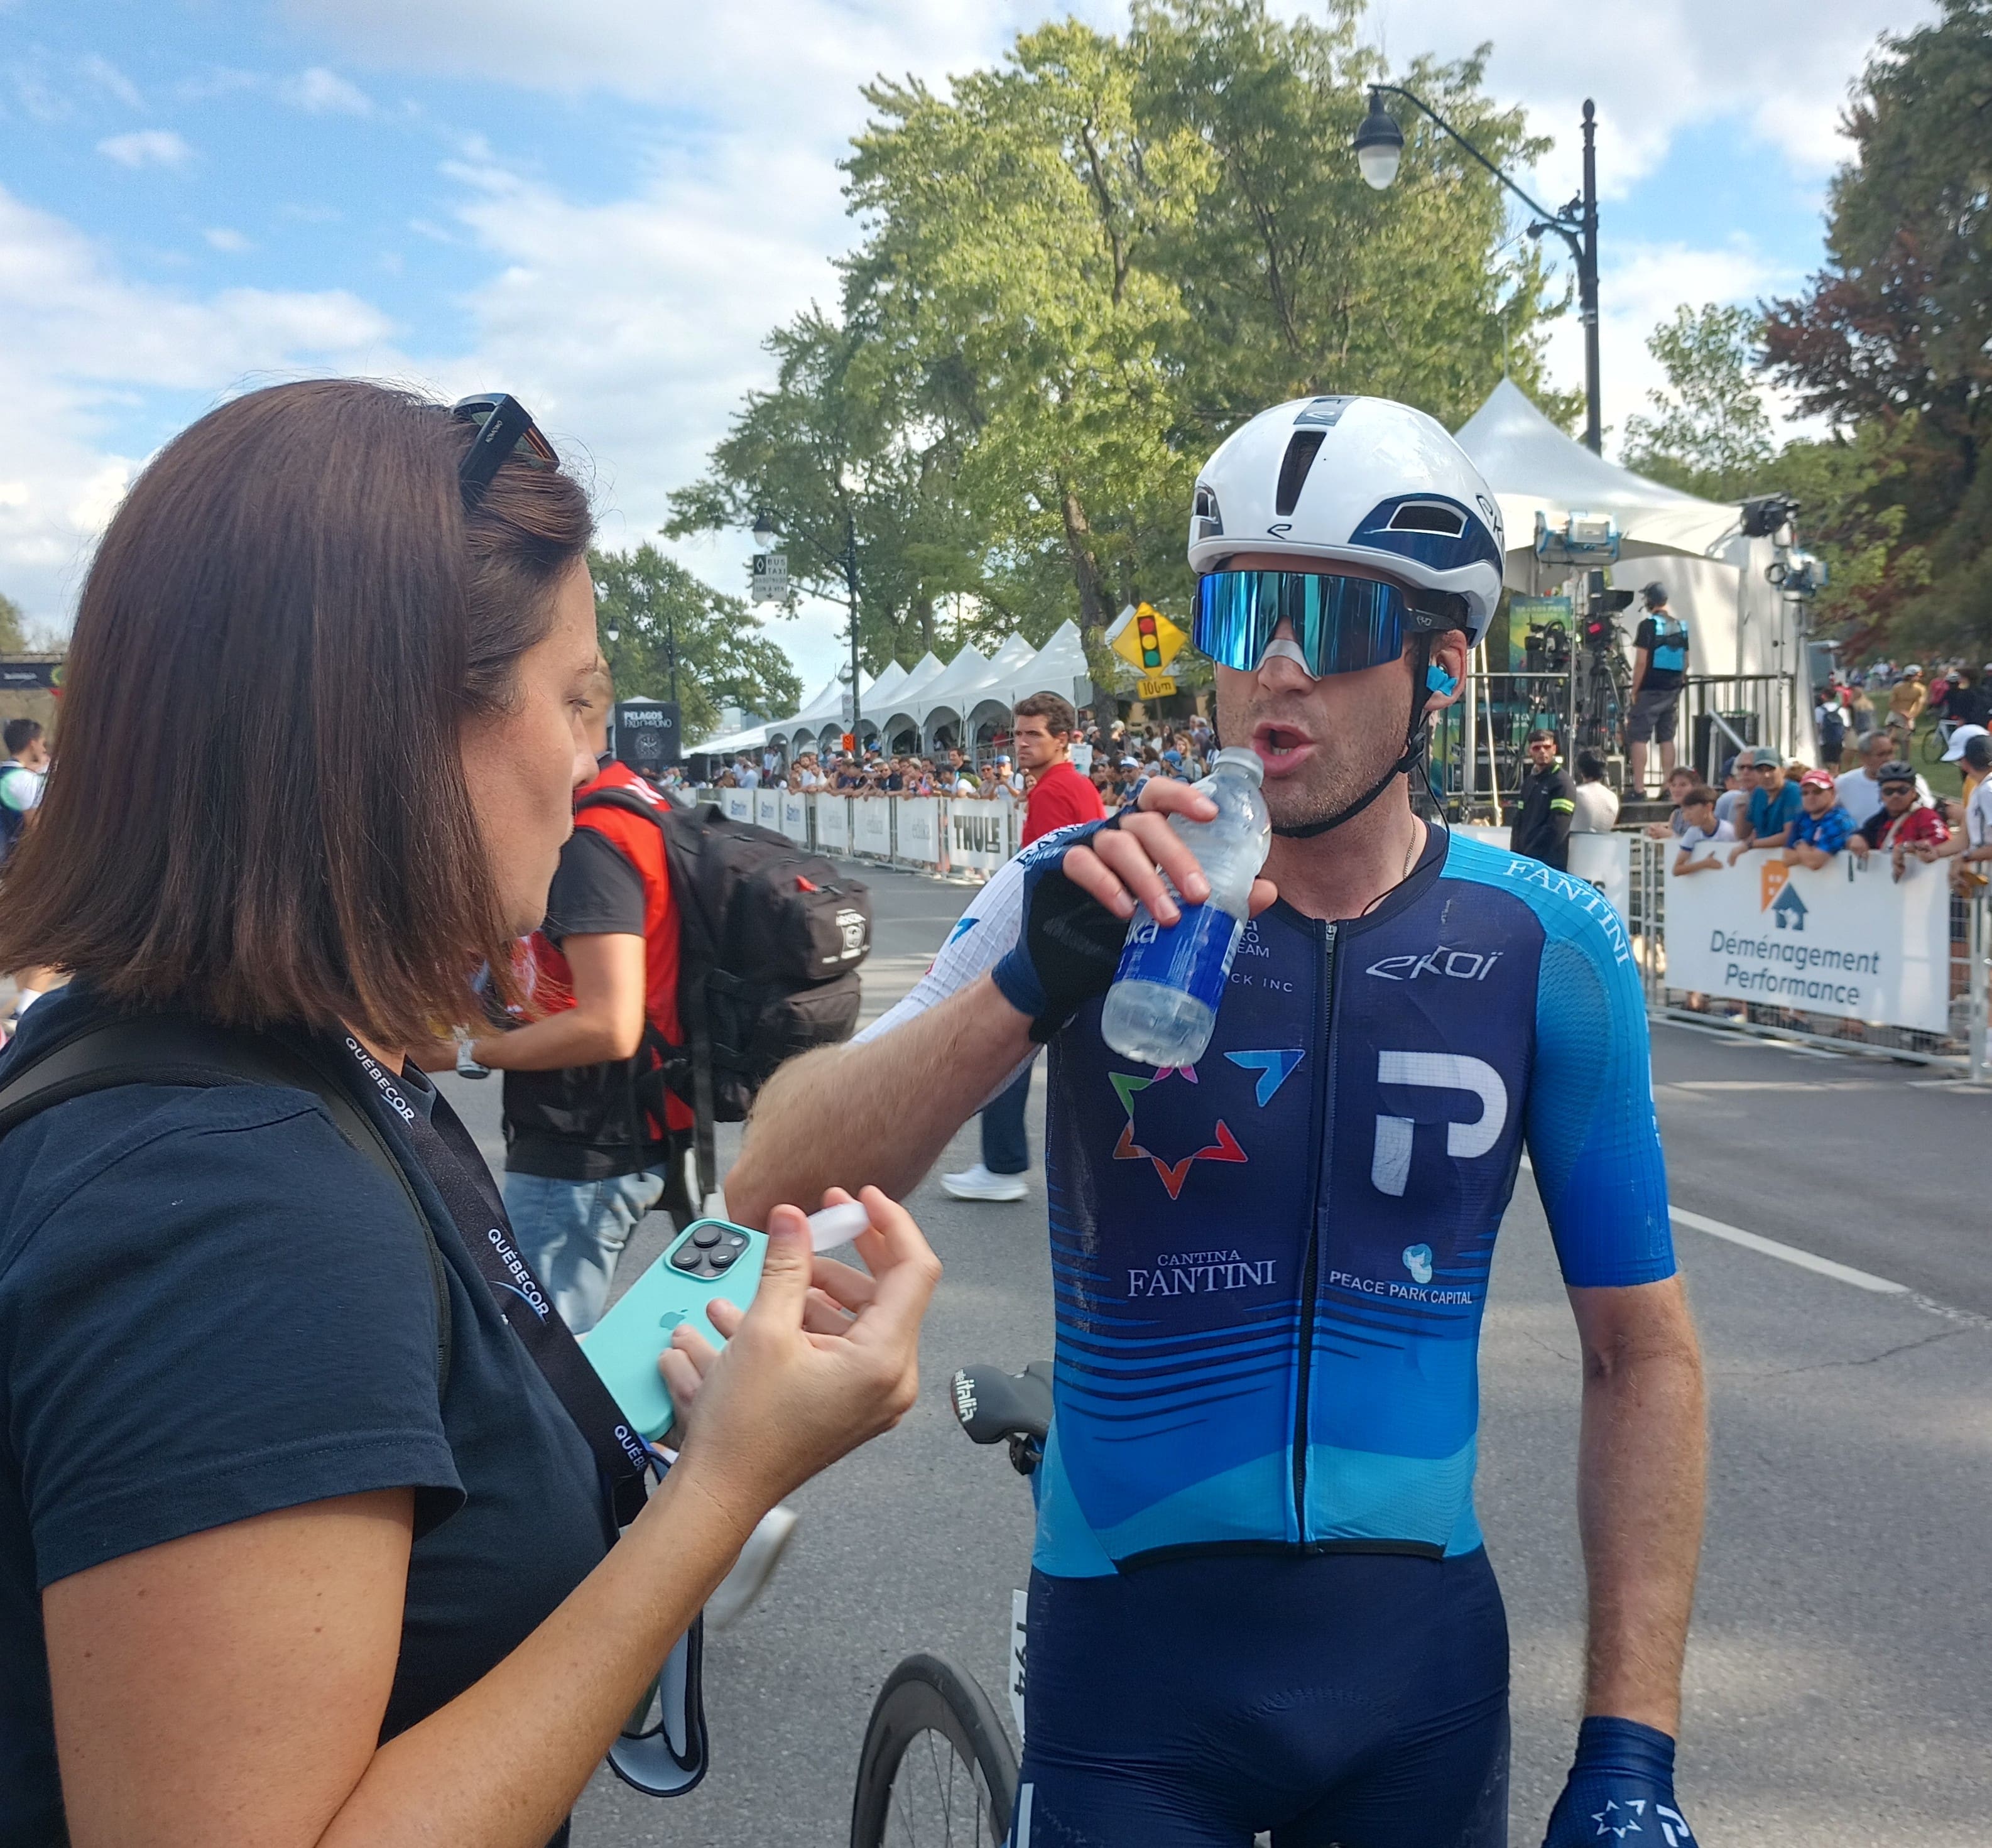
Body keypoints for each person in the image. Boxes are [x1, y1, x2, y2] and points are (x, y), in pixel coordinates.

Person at [727, 394, 1706, 1848]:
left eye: (1333, 615)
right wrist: (1024, 981)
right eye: (1245, 612)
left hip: (1415, 1678)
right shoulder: (1081, 885)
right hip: (1134, 1680)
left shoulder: (1547, 944)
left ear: (1446, 661)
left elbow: (1645, 1356)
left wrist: (1633, 1747)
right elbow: (774, 1175)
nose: (1280, 667)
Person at [0, 380, 939, 1848]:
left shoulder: (248, 1060)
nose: (592, 762)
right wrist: (723, 1497)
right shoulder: (237, 1197)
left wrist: (698, 1410)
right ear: (383, 727)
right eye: (572, 700)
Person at [942, 691, 1105, 1204]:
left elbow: (1039, 877)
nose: (1022, 743)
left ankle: (1004, 1164)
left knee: (1006, 1045)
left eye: (1034, 734)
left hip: (1057, 941)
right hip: (1080, 938)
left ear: (1063, 740)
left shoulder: (1054, 792)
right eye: (1018, 733)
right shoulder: (1068, 785)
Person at [1626, 581, 1689, 791]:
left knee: (1638, 737)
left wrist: (1635, 690)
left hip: (1649, 689)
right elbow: (1686, 662)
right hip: (1672, 690)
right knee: (1667, 738)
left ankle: (1639, 788)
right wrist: (1678, 683)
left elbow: (1641, 662)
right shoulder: (1680, 626)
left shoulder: (1647, 625)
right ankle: (1667, 786)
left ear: (1649, 601)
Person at [1856, 759, 1948, 879]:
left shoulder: (1926, 816)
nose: (1896, 796)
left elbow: (1942, 839)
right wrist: (1855, 839)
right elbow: (1863, 835)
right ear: (1881, 795)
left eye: (1902, 790)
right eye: (1889, 791)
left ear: (1914, 793)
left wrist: (1907, 847)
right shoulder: (1878, 821)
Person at [1837, 729, 1934, 827]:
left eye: (1891, 753)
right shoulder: (1843, 783)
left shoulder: (1913, 780)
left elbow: (1929, 813)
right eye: (1881, 755)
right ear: (1863, 757)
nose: (1889, 759)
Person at [1511, 727, 1577, 869]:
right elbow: (1518, 822)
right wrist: (1516, 856)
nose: (1542, 751)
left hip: (1548, 865)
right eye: (1537, 748)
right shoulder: (1529, 782)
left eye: (1547, 747)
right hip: (1524, 863)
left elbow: (1558, 827)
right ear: (1530, 751)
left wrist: (1532, 856)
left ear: (1554, 749)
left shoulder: (1562, 782)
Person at [1728, 747, 1803, 862]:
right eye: (1760, 770)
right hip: (1766, 863)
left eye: (1771, 769)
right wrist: (1742, 811)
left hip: (1792, 863)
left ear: (1782, 771)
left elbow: (1789, 835)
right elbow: (1742, 835)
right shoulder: (1758, 793)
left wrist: (1750, 845)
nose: (1766, 775)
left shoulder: (1793, 792)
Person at [1783, 768, 1858, 868]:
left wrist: (1800, 844)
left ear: (1832, 793)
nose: (1810, 797)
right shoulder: (1802, 817)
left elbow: (1814, 863)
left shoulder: (1840, 821)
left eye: (1817, 792)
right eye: (1805, 793)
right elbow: (1787, 859)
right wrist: (1809, 851)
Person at [1672, 784, 1734, 874]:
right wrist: (1705, 864)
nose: (1686, 816)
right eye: (1684, 811)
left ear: (1708, 807)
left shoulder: (1727, 831)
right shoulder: (1692, 833)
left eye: (1691, 809)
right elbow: (1677, 870)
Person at [1643, 764, 1699, 839]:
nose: (1677, 789)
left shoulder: (1701, 812)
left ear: (1695, 787)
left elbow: (1698, 843)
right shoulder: (1675, 814)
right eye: (1673, 785)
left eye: (1683, 785)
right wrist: (1656, 832)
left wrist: (1670, 835)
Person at [1570, 748, 1620, 832]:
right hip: (1603, 844)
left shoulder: (1576, 794)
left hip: (1577, 843)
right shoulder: (1613, 797)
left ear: (1581, 771)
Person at [1887, 663, 1927, 753]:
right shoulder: (1898, 687)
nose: (1918, 678)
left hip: (1910, 715)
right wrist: (1902, 713)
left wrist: (1912, 716)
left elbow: (1919, 704)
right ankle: (1888, 756)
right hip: (1896, 714)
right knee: (1892, 737)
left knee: (1907, 739)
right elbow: (1892, 703)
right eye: (1916, 675)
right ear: (1909, 676)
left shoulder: (1921, 689)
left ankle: (1905, 762)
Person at [1814, 687, 1847, 771]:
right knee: (1837, 764)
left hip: (1824, 742)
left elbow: (1817, 726)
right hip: (1839, 742)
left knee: (1825, 765)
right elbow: (1846, 727)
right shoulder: (1842, 710)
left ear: (1824, 696)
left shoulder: (1819, 710)